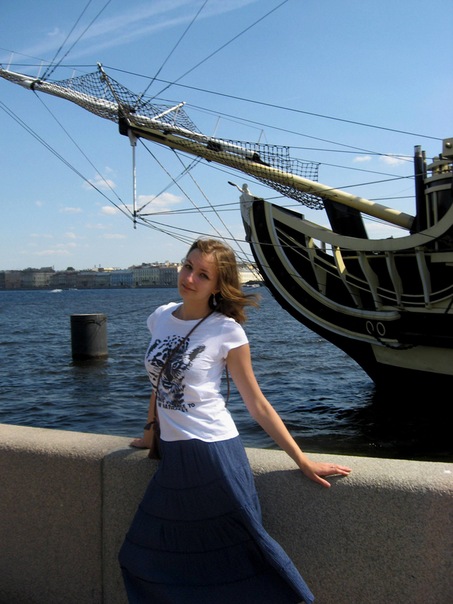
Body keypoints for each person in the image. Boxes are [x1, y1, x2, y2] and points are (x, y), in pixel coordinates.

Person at [119, 237, 351, 604]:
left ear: (217, 285)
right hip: (175, 457)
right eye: (188, 266)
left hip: (213, 455)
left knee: (243, 560)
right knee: (140, 556)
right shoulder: (161, 317)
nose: (189, 278)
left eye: (203, 274)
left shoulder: (226, 330)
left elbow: (256, 403)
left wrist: (302, 460)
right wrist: (150, 434)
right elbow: (159, 384)